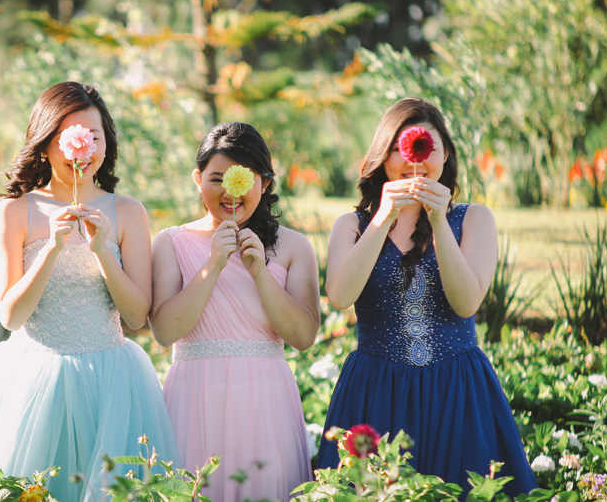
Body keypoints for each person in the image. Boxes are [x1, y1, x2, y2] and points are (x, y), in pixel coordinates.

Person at [0, 81, 179, 501]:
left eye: (94, 137)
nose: (84, 150)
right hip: (33, 377)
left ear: (106, 144)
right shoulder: (14, 211)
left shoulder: (128, 212)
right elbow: (11, 316)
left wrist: (101, 250)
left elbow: (136, 317)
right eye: (72, 138)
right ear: (46, 143)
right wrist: (53, 249)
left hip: (112, 380)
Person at [316, 97, 537, 496]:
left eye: (426, 148)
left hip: (458, 389)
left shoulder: (474, 219)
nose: (413, 160)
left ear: (445, 154)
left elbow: (466, 302)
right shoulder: (352, 225)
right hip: (375, 390)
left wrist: (437, 219)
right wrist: (382, 218)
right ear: (385, 158)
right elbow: (339, 295)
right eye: (401, 150)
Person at [149, 122, 319, 501]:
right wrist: (212, 265)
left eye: (241, 179)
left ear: (263, 182)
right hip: (194, 396)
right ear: (197, 179)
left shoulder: (294, 247)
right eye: (216, 179)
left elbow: (303, 337)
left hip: (265, 396)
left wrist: (260, 272)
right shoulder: (170, 242)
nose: (229, 192)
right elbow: (164, 330)